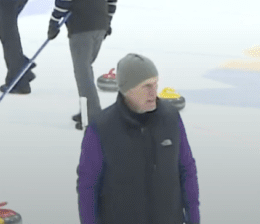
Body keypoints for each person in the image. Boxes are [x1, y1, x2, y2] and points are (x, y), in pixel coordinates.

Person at [77, 53, 200, 224]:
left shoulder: (171, 118)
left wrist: (194, 216)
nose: (153, 92)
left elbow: (186, 169)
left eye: (155, 84)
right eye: (146, 86)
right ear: (127, 89)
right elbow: (88, 186)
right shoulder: (101, 128)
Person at [48, 0, 119, 130]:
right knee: (86, 68)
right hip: (100, 26)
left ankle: (93, 116)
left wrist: (53, 23)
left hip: (81, 28)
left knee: (83, 73)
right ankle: (86, 109)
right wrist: (108, 20)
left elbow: (63, 0)